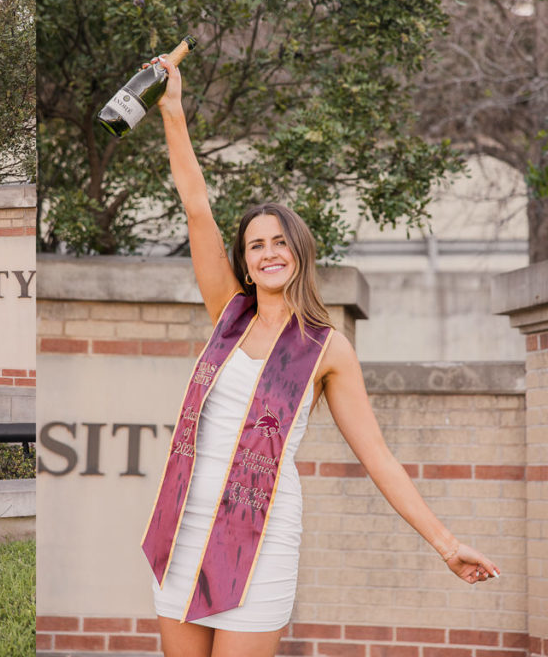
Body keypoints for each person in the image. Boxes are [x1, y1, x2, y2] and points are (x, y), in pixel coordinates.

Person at [141, 54, 499, 657]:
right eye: (256, 246)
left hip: (258, 538)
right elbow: (197, 208)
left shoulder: (325, 349)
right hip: (184, 525)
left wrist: (445, 543)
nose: (267, 253)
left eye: (279, 242)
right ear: (246, 263)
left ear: (300, 252)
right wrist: (172, 111)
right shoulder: (228, 315)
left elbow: (378, 457)